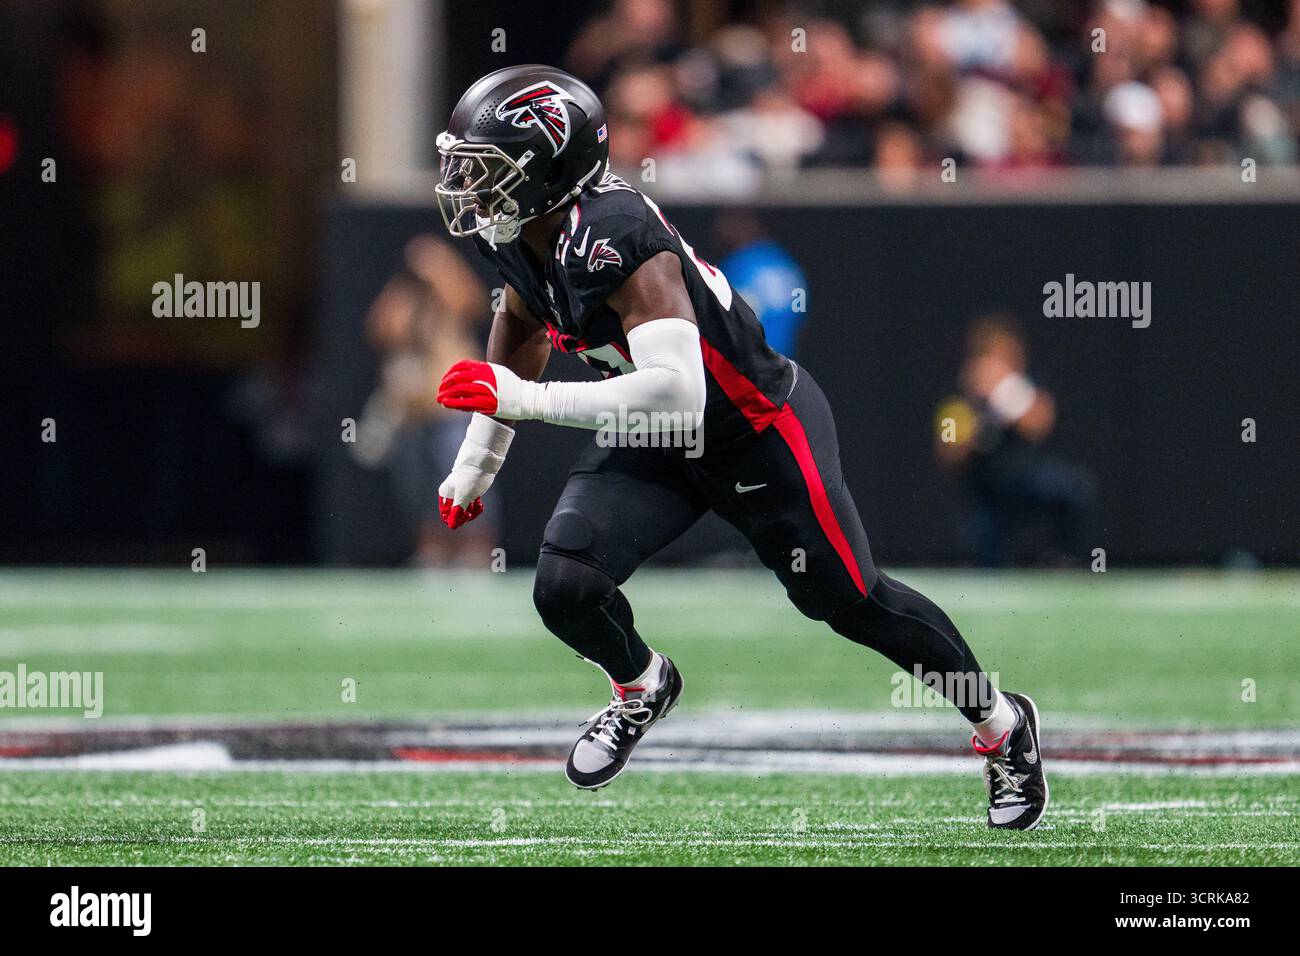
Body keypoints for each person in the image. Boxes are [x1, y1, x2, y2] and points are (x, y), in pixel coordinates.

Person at [431, 65, 1047, 829]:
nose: (465, 184)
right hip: (653, 436)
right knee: (565, 584)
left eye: (486, 168)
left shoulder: (616, 235)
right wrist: (477, 461)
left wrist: (524, 403)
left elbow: (679, 390)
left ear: (550, 167)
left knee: (851, 602)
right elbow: (519, 334)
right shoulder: (523, 234)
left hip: (752, 428)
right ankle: (642, 686)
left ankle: (1002, 725)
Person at [936, 316, 1097, 568]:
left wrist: (1005, 399)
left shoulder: (1023, 391)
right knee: (983, 555)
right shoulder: (959, 405)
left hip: (1026, 481)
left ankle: (1061, 564)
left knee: (1075, 490)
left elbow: (1040, 424)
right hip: (988, 494)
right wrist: (978, 416)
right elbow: (950, 452)